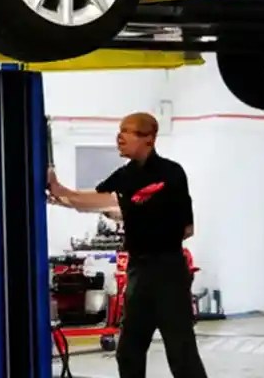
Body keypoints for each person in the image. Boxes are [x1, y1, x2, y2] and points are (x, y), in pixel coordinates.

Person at [47, 112, 208, 378]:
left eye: (128, 131)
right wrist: (59, 194)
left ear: (149, 139)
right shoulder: (124, 176)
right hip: (139, 272)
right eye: (119, 130)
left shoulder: (171, 173)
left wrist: (137, 216)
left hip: (168, 271)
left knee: (181, 352)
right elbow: (97, 201)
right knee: (129, 351)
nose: (119, 137)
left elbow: (186, 228)